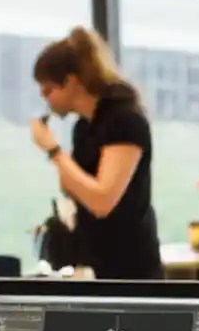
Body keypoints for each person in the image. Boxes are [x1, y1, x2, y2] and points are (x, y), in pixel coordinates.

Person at [28, 26, 162, 280]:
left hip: (131, 267)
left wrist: (54, 151)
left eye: (48, 90)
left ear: (70, 81)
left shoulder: (125, 121)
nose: (46, 100)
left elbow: (102, 201)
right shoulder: (83, 127)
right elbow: (76, 188)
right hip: (94, 261)